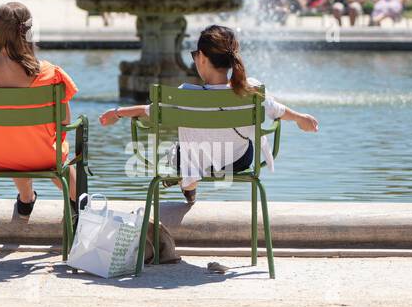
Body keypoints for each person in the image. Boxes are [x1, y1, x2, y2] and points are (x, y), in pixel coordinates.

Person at [101, 24, 319, 203]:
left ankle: (189, 182)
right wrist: (301, 118)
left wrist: (117, 112)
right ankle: (189, 179)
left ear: (202, 58)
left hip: (194, 160)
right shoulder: (250, 90)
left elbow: (150, 111)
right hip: (238, 161)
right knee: (234, 142)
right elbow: (276, 110)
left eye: (195, 54)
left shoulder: (184, 95)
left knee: (180, 152)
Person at [0, 2, 79, 221]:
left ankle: (26, 200)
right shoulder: (51, 74)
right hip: (43, 157)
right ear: (30, 34)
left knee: (11, 136)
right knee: (52, 151)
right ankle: (81, 208)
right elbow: (65, 121)